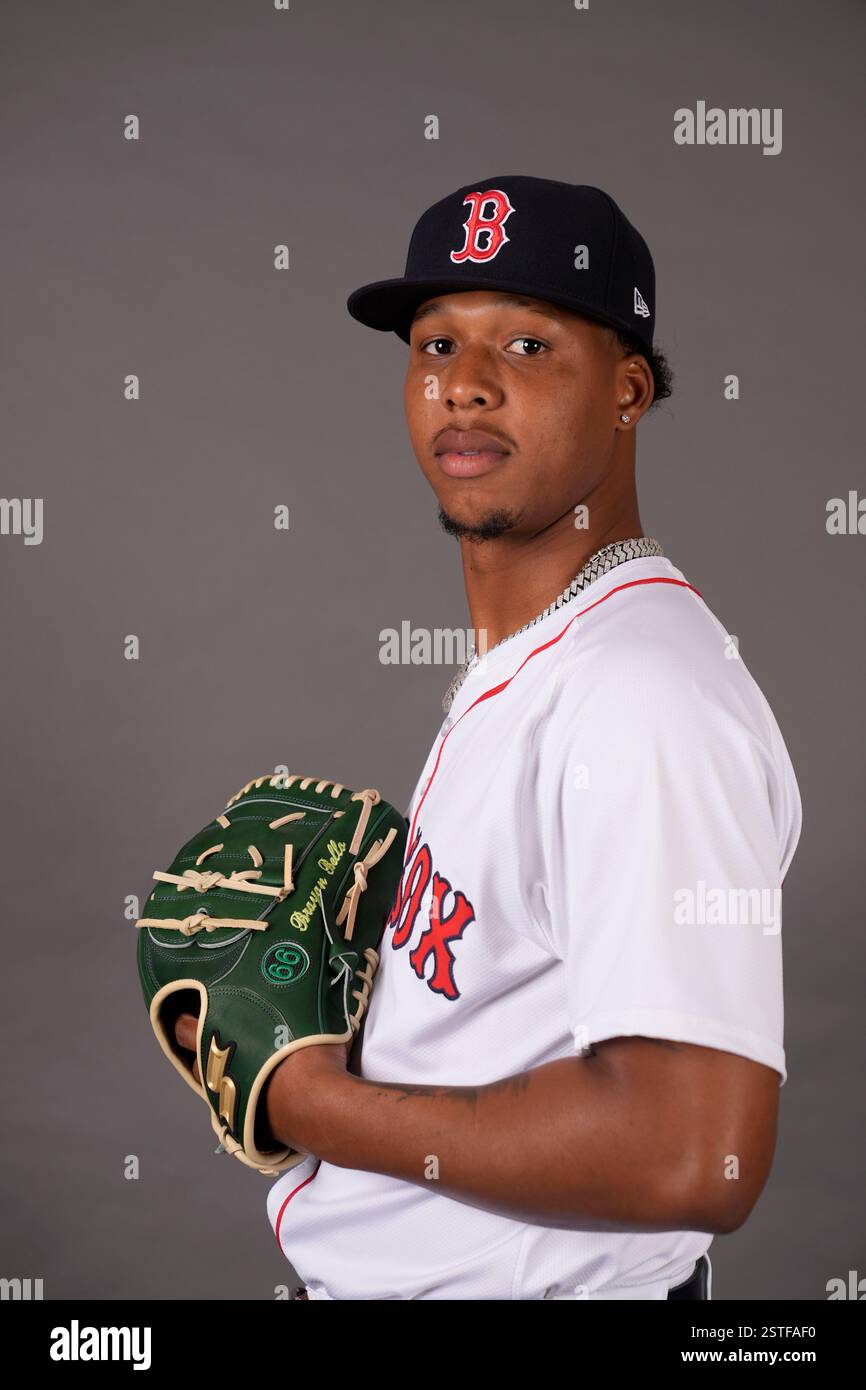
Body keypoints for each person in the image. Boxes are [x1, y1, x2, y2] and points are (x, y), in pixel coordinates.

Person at [174, 175, 802, 1300]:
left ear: (626, 390)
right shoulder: (548, 660)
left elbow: (686, 1154)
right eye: (433, 345)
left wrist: (307, 1096)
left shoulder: (642, 694)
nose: (462, 385)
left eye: (523, 342)